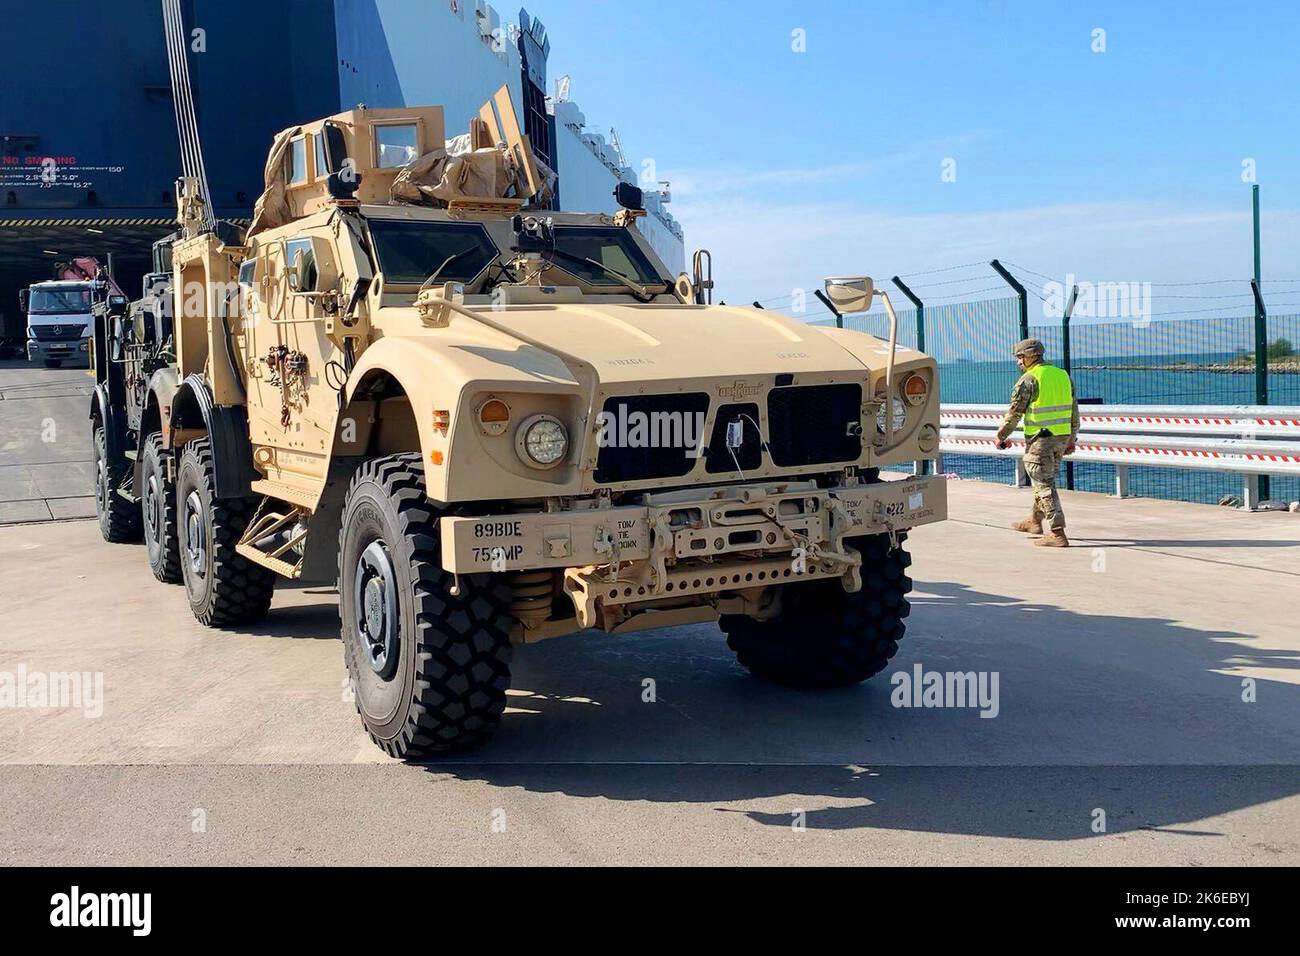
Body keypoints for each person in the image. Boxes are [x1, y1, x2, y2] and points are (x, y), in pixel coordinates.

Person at [994, 338, 1079, 547]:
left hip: (1040, 440)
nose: (1018, 362)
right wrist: (1071, 438)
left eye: (1020, 357)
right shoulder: (1062, 375)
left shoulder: (1029, 379)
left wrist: (1001, 436)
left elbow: (1015, 413)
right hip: (1060, 438)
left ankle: (1057, 532)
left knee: (1044, 484)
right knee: (1043, 480)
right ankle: (1034, 521)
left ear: (1031, 356)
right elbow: (1074, 410)